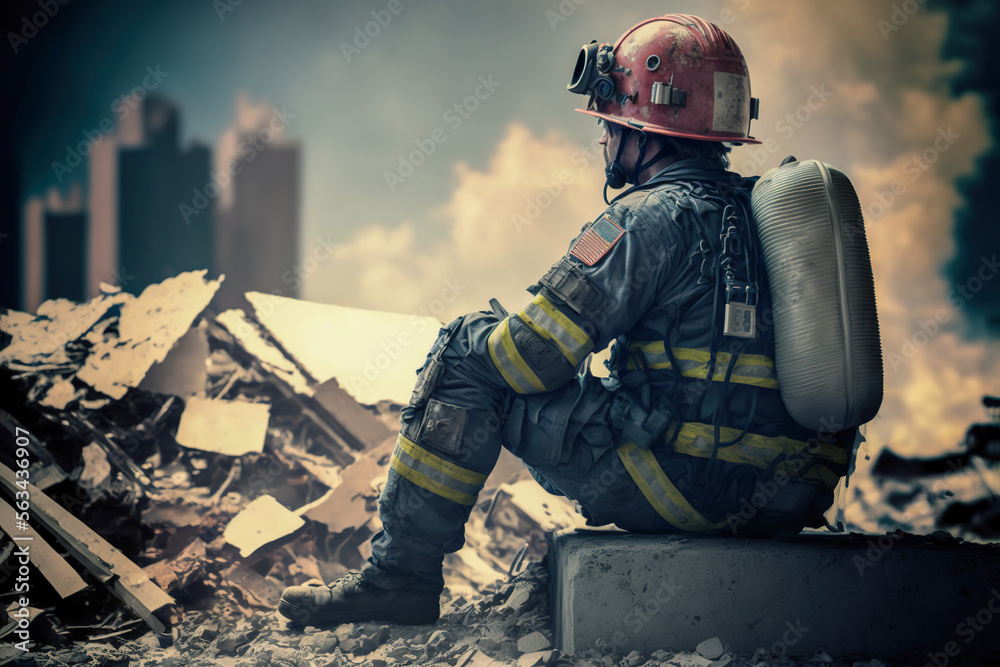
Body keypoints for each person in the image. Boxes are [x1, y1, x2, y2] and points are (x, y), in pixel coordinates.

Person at [278, 13, 857, 627]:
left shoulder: (644, 219)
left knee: (463, 351)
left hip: (681, 486)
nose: (604, 140)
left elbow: (526, 358)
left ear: (644, 131)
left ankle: (399, 580)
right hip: (787, 499)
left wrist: (491, 330)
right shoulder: (775, 218)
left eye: (610, 123)